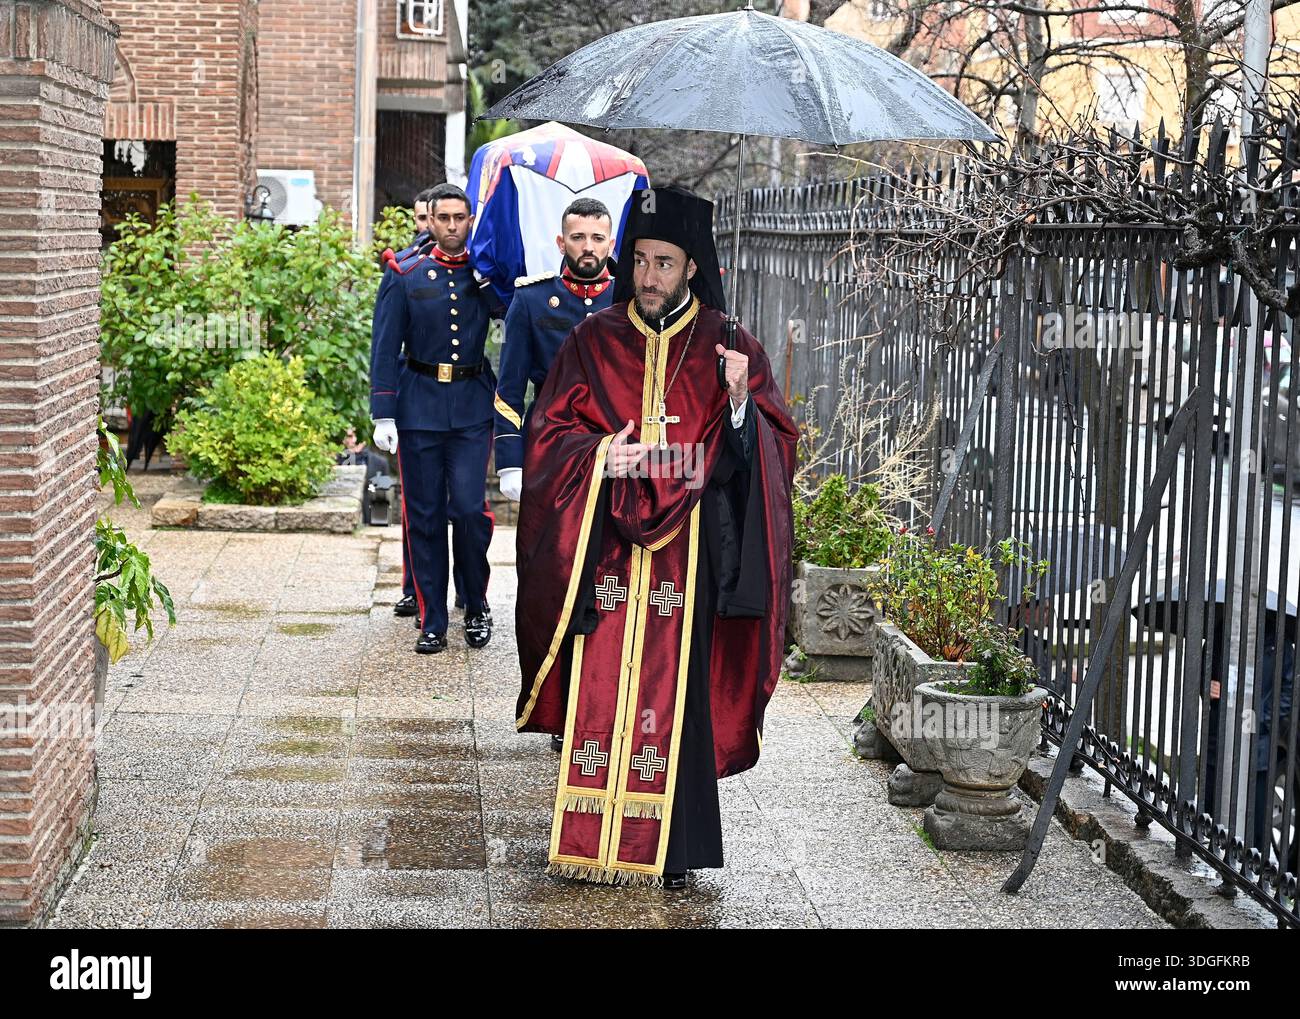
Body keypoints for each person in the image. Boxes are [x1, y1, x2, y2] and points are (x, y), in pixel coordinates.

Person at [513, 185, 797, 888]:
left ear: (692, 266)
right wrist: (598, 456)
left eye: (664, 262)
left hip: (690, 555)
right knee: (604, 683)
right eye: (639, 260)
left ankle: (672, 847)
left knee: (680, 692)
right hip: (605, 547)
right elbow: (548, 433)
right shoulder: (593, 339)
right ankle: (589, 836)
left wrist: (737, 406)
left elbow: (774, 449)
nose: (648, 276)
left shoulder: (732, 345)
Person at [370, 183, 503, 654]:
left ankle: (478, 602)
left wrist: (490, 278)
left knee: (469, 511)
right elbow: (384, 346)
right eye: (443, 217)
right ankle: (432, 618)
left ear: (470, 221)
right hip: (419, 407)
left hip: (470, 406)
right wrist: (383, 411)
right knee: (424, 516)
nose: (451, 226)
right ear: (431, 218)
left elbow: (509, 312)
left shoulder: (484, 271)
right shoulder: (405, 272)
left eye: (459, 218)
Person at [494, 196, 616, 505]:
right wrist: (509, 461)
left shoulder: (628, 299)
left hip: (614, 441)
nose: (588, 246)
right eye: (578, 237)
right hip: (550, 441)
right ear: (561, 243)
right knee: (550, 546)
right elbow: (509, 388)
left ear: (610, 244)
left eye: (597, 238)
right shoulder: (531, 299)